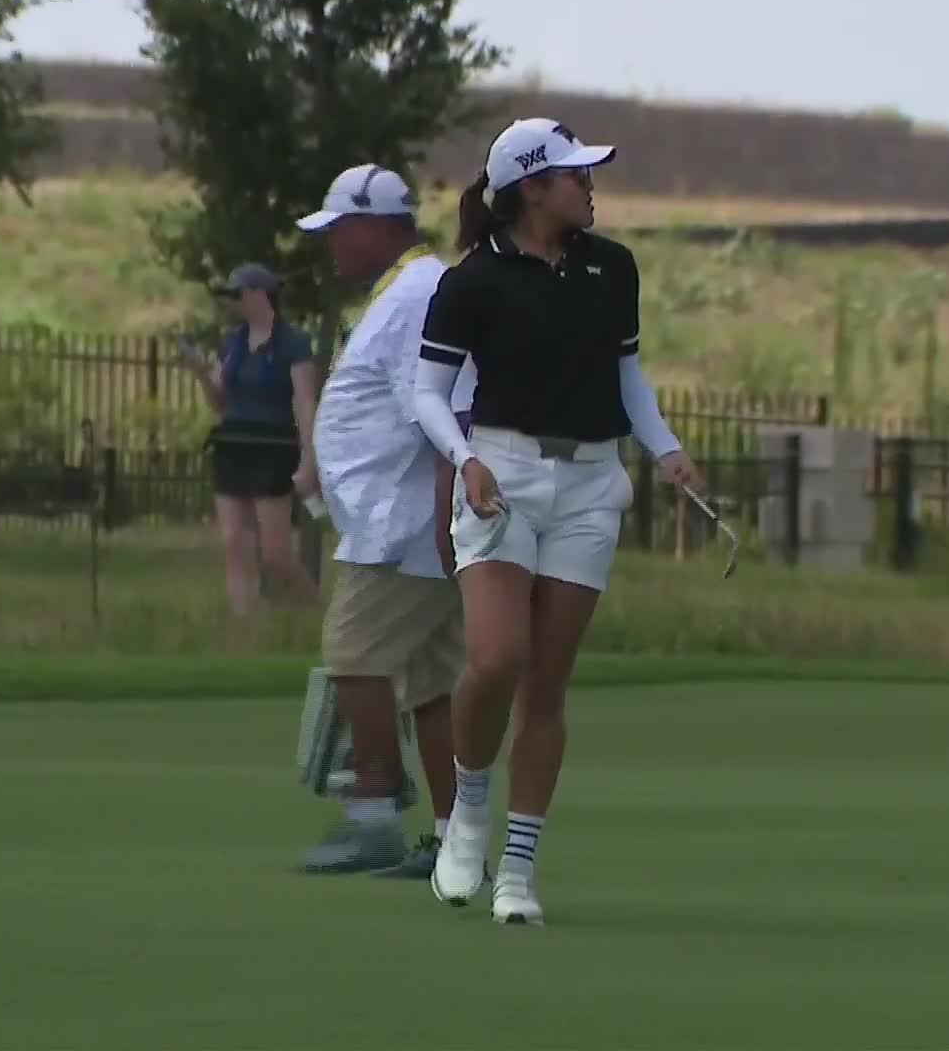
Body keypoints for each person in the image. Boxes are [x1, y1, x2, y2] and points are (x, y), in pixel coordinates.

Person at [410, 118, 703, 925]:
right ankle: (468, 806)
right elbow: (427, 392)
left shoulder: (613, 268)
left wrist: (668, 450)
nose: (589, 184)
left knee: (547, 685)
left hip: (590, 484)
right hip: (503, 473)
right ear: (531, 189)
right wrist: (463, 459)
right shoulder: (473, 279)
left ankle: (518, 872)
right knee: (497, 658)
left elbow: (627, 378)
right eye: (574, 175)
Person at [291, 163, 478, 876]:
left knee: (354, 661)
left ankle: (373, 811)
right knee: (430, 686)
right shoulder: (402, 291)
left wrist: (441, 510)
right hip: (394, 524)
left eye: (339, 230)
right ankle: (450, 840)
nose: (332, 245)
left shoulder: (418, 293)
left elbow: (437, 405)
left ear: (375, 226)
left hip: (401, 531)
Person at [180, 262, 320, 616]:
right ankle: (246, 626)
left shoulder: (293, 343)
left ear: (260, 293)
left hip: (273, 449)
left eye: (237, 294)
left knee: (275, 556)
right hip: (233, 445)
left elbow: (304, 402)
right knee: (233, 543)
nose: (233, 302)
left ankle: (321, 615)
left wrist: (309, 459)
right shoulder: (232, 343)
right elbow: (219, 402)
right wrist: (200, 372)